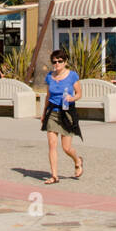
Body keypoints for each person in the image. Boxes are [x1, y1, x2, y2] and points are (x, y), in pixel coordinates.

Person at [42, 47, 84, 183]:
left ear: (65, 61)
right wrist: (43, 113)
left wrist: (73, 98)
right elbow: (48, 96)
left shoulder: (72, 76)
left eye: (60, 61)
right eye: (54, 62)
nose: (57, 64)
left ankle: (77, 160)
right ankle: (54, 175)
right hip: (53, 112)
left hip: (67, 113)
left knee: (66, 148)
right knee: (51, 144)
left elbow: (79, 93)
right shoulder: (49, 76)